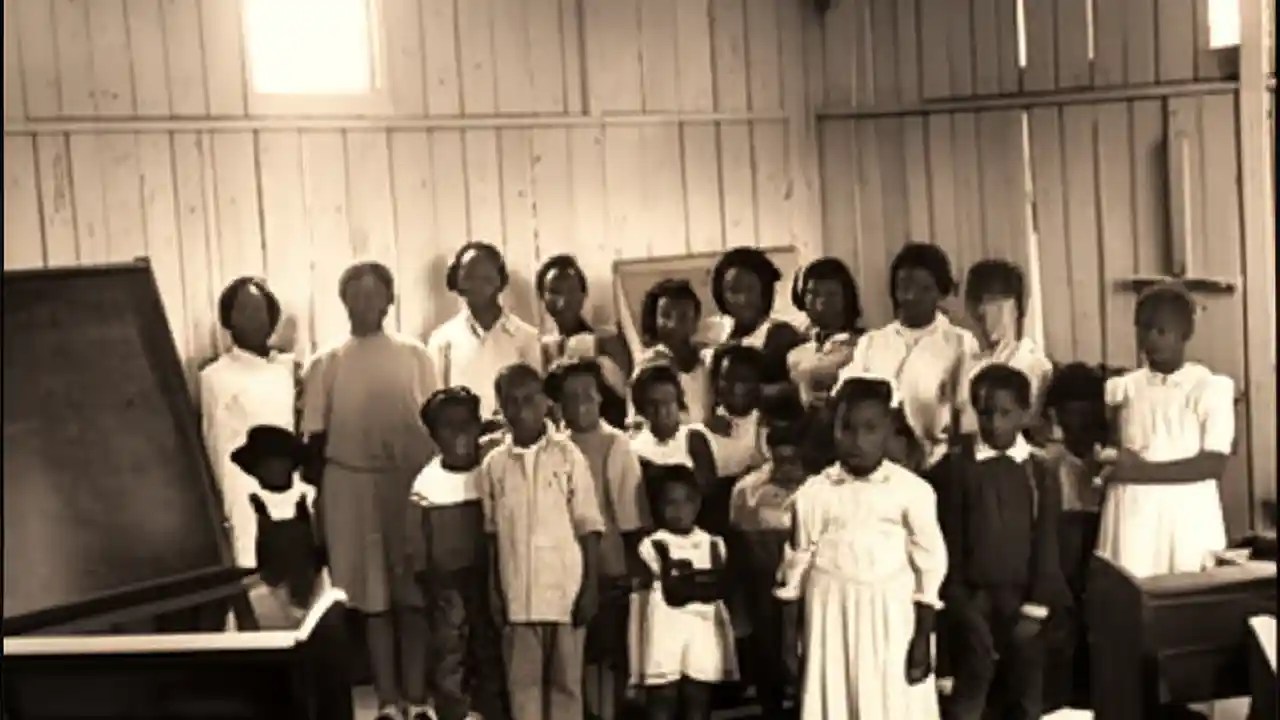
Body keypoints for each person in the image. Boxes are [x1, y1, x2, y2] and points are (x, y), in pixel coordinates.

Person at [300, 262, 437, 720]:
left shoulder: (416, 355)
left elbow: (436, 424)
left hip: (408, 482)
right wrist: (320, 508)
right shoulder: (328, 362)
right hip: (351, 487)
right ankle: (388, 702)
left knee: (412, 595)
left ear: (389, 300)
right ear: (343, 303)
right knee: (373, 599)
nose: (364, 302)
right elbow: (314, 439)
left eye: (373, 293)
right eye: (354, 294)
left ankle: (418, 699)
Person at [776, 373, 946, 720]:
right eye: (847, 428)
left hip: (891, 617)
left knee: (893, 702)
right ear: (833, 429)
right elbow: (794, 572)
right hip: (830, 616)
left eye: (870, 429)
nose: (857, 440)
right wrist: (789, 642)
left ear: (888, 431)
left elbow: (929, 567)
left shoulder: (912, 492)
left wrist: (922, 640)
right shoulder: (815, 493)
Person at [935, 364, 1067, 720]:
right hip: (972, 599)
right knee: (970, 692)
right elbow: (950, 539)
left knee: (1025, 693)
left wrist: (1037, 605)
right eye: (985, 413)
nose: (994, 423)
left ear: (1025, 413)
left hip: (1022, 600)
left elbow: (1047, 541)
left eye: (1005, 413)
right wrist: (959, 601)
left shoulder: (1039, 471)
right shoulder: (957, 468)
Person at [479, 363, 606, 720]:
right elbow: (491, 533)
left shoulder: (567, 456)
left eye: (529, 401)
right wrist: (494, 588)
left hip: (564, 591)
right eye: (511, 403)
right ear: (500, 407)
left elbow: (588, 525)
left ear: (545, 404)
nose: (521, 411)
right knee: (523, 688)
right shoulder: (494, 465)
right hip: (517, 594)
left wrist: (590, 587)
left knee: (566, 686)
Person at [1095, 282, 1234, 579]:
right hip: (1133, 517)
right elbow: (1118, 447)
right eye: (1143, 330)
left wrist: (1137, 472)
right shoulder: (1124, 388)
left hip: (1184, 516)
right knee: (1131, 591)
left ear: (1185, 334)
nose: (1150, 340)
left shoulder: (1207, 387)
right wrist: (1110, 461)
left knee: (1185, 593)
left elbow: (1213, 464)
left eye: (1161, 331)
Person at [545, 358, 650, 720]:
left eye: (587, 395)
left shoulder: (615, 444)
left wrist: (631, 567)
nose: (580, 405)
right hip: (564, 567)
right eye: (570, 397)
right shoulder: (553, 445)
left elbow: (628, 513)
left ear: (600, 398)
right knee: (578, 658)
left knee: (610, 654)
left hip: (608, 564)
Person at [837, 243, 979, 476]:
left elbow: (965, 416)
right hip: (873, 468)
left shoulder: (960, 342)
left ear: (940, 291)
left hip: (936, 467)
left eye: (924, 288)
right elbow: (848, 399)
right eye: (904, 286)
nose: (911, 296)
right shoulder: (872, 342)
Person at [407, 387, 506, 720]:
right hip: (447, 582)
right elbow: (417, 541)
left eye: (467, 423)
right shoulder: (427, 483)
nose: (460, 433)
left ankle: (491, 709)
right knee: (450, 651)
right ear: (433, 435)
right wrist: (425, 580)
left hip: (490, 574)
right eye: (448, 426)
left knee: (489, 646)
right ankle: (454, 711)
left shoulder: (491, 469)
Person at [200, 276, 298, 569]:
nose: (253, 320)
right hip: (242, 495)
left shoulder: (284, 371)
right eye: (243, 311)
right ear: (228, 320)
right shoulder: (216, 377)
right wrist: (225, 510)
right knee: (253, 572)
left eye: (259, 311)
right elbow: (216, 447)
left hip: (289, 492)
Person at [633, 466, 738, 720]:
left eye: (686, 502)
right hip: (666, 629)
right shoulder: (652, 545)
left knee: (698, 695)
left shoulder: (714, 545)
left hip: (703, 630)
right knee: (663, 696)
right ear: (658, 506)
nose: (679, 511)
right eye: (671, 503)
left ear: (698, 503)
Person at [728, 415, 808, 719]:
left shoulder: (818, 487)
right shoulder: (747, 490)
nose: (787, 466)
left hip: (806, 583)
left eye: (794, 458)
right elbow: (739, 546)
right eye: (780, 458)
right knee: (767, 652)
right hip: (763, 582)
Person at [1041, 362, 1109, 709]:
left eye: (1083, 418)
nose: (1074, 428)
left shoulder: (1112, 463)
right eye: (1067, 421)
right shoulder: (1053, 465)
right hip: (1066, 567)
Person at [427, 242, 542, 427]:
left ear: (500, 280)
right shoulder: (442, 340)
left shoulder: (525, 337)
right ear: (457, 280)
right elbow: (437, 402)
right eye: (470, 276)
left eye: (486, 277)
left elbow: (534, 400)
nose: (478, 284)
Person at [232, 425, 324, 629]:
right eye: (266, 463)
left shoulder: (309, 498)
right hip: (267, 601)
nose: (274, 468)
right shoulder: (247, 503)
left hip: (311, 599)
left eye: (279, 461)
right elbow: (244, 565)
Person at [955, 260, 1054, 443]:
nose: (985, 314)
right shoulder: (968, 363)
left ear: (1017, 307)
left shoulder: (1034, 365)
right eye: (978, 304)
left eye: (996, 304)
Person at [537, 255, 633, 430]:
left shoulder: (606, 341)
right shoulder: (541, 347)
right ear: (542, 297)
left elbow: (624, 394)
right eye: (554, 291)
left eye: (571, 290)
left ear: (583, 294)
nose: (563, 300)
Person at [787, 258, 863, 473]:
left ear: (846, 298)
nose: (821, 303)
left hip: (845, 446)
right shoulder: (796, 352)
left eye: (831, 294)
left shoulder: (862, 345)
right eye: (813, 294)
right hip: (806, 448)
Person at [706, 248, 804, 410]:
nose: (742, 299)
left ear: (764, 291)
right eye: (734, 290)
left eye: (750, 289)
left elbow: (796, 391)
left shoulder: (781, 335)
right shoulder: (717, 337)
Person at [628, 364, 717, 514]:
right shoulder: (634, 447)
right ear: (642, 407)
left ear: (678, 402)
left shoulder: (694, 437)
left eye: (668, 402)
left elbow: (708, 491)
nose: (661, 411)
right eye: (653, 404)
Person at [636, 279, 714, 425]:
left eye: (683, 316)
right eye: (665, 315)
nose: (673, 324)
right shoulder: (648, 365)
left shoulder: (709, 360)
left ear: (695, 322)